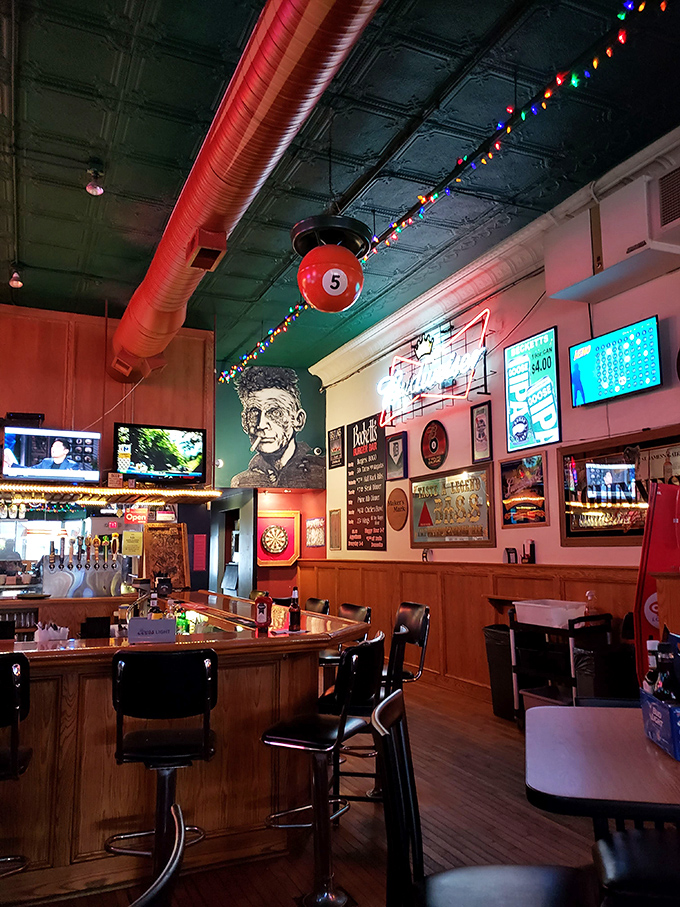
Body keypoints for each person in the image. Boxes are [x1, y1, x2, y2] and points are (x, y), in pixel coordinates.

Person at [230, 366, 325, 488]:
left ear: (298, 420)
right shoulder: (241, 482)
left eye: (275, 413)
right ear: (244, 421)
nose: (261, 424)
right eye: (254, 413)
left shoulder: (320, 472)